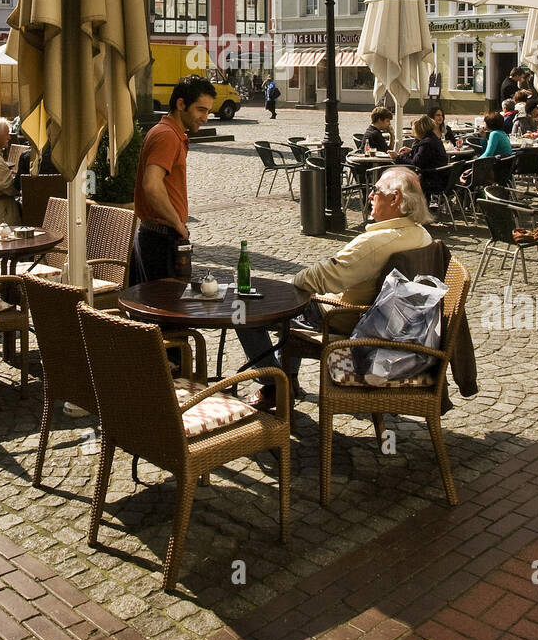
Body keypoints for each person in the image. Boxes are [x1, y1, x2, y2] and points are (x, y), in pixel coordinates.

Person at [244, 166, 434, 409]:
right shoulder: (422, 236)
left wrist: (286, 287)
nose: (369, 196)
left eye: (375, 190)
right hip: (392, 324)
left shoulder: (377, 242)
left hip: (347, 319)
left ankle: (273, 385)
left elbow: (323, 278)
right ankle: (289, 380)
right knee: (298, 304)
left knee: (247, 310)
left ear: (395, 198)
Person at [131, 76, 215, 283]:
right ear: (181, 104)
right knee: (168, 309)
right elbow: (151, 184)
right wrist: (178, 224)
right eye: (201, 110)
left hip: (155, 235)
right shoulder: (167, 135)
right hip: (160, 238)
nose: (205, 118)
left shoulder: (167, 132)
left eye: (208, 111)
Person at [395, 114, 448, 182]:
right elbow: (425, 156)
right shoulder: (433, 139)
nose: (413, 133)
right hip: (440, 177)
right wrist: (412, 151)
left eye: (414, 130)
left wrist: (398, 157)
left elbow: (415, 164)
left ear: (419, 130)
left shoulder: (426, 143)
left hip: (429, 180)